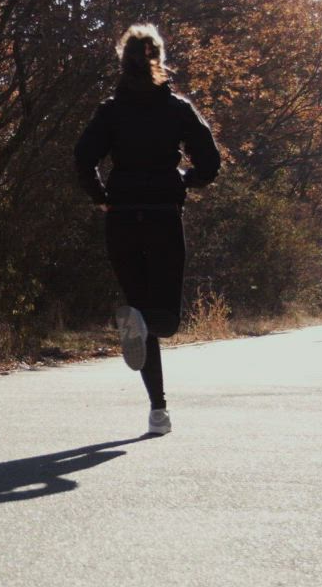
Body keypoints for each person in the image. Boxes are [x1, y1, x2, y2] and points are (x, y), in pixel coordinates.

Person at [73, 23, 220, 435]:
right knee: (165, 317)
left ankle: (159, 410)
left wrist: (101, 196)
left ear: (122, 61)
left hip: (121, 216)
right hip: (162, 215)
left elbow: (83, 158)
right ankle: (156, 398)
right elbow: (210, 161)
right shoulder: (177, 109)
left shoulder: (110, 110)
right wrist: (184, 178)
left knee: (138, 309)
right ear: (160, 59)